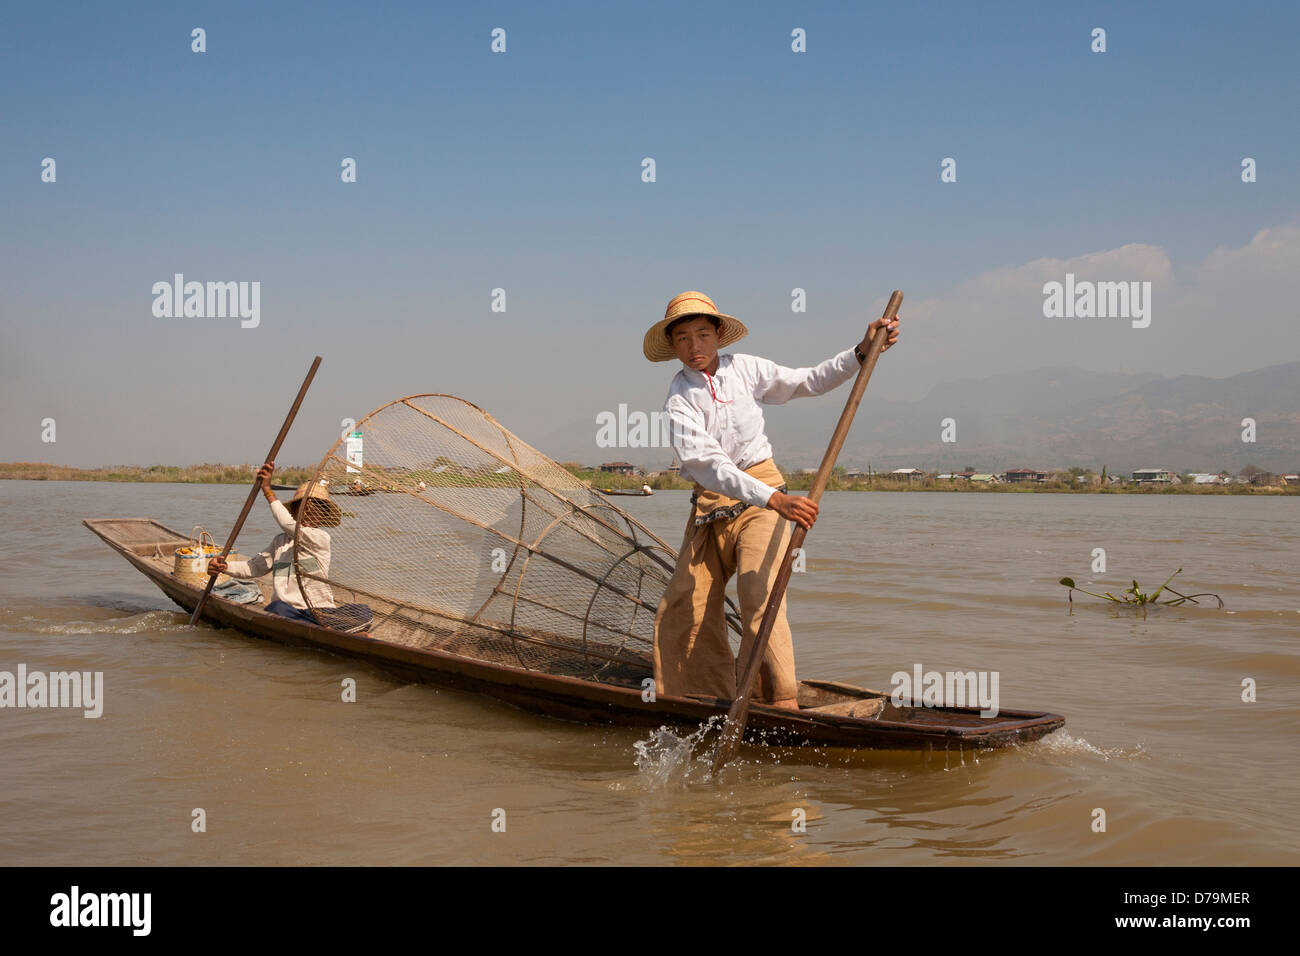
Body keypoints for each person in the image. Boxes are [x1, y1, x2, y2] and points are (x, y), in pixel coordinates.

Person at [646, 291, 900, 710]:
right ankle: (694, 698)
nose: (694, 348)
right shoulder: (678, 400)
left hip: (763, 499)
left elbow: (807, 381)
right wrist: (774, 500)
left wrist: (860, 352)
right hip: (713, 504)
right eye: (684, 339)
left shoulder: (745, 369)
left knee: (758, 592)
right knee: (682, 604)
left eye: (703, 335)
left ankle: (778, 698)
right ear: (673, 346)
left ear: (719, 336)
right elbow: (708, 466)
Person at [207, 462, 372, 633]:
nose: (309, 514)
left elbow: (287, 524)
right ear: (294, 511)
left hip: (320, 611)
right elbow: (254, 567)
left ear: (322, 516)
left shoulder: (320, 538)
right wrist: (224, 567)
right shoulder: (280, 542)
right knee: (276, 608)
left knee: (363, 611)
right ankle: (331, 630)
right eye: (304, 509)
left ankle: (325, 627)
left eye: (315, 510)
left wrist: (267, 490)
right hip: (290, 612)